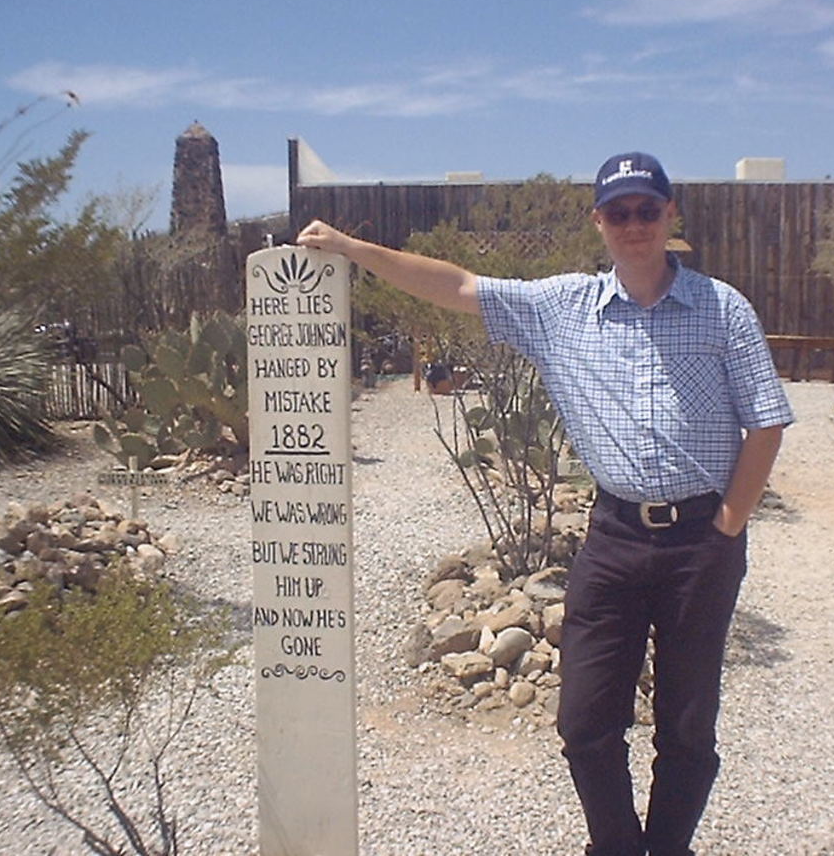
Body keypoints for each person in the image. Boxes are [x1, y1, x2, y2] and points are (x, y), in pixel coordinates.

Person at [297, 152, 794, 856]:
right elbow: (457, 284)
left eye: (646, 209)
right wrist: (352, 249)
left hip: (700, 545)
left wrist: (728, 525)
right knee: (585, 723)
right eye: (618, 212)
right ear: (599, 221)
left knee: (686, 726)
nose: (633, 224)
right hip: (615, 538)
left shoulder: (722, 307)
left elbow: (766, 423)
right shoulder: (562, 307)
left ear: (670, 214)